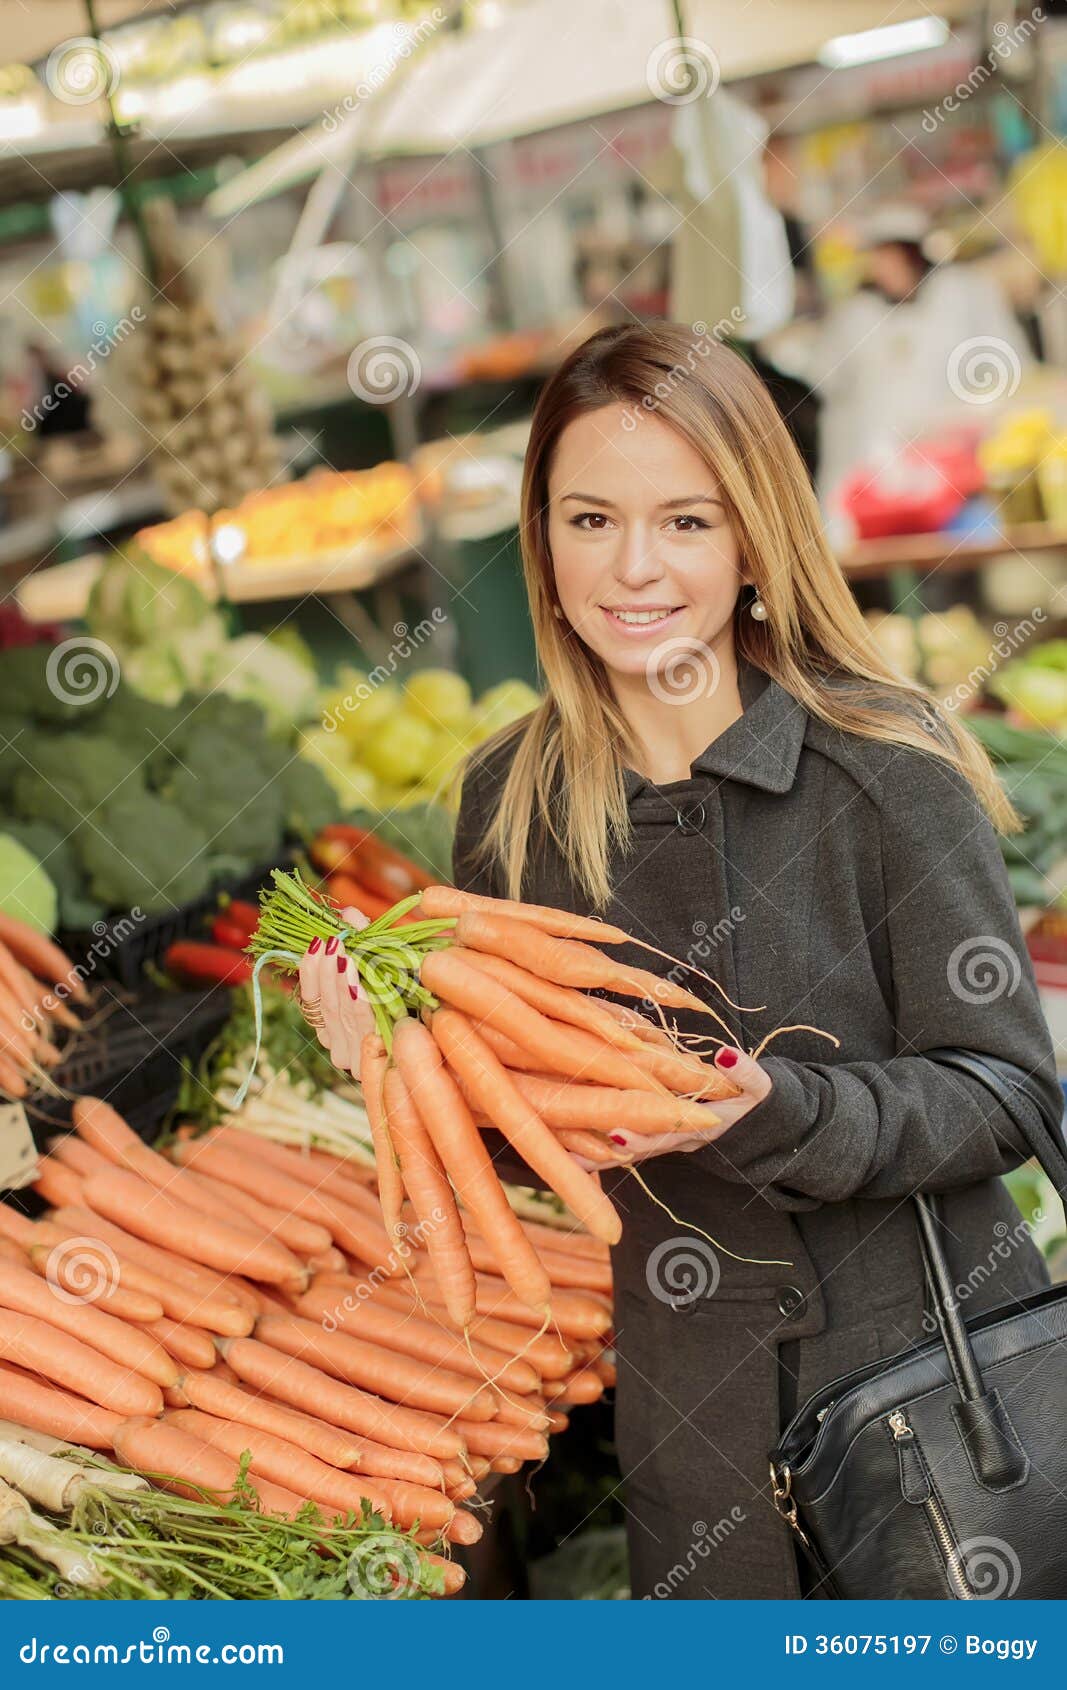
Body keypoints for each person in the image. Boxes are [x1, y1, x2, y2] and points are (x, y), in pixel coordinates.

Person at [299, 323, 1062, 1599]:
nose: (632, 568)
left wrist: (785, 1110)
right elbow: (524, 1134)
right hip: (695, 1439)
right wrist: (394, 1061)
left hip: (928, 1410)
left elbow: (1009, 1091)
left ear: (754, 536)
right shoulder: (510, 799)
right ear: (539, 536)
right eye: (589, 519)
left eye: (685, 523)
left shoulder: (882, 765)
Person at [809, 204, 1032, 512]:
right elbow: (825, 387)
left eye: (897, 256)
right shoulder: (853, 318)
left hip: (953, 473)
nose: (887, 267)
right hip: (875, 479)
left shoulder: (962, 298)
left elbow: (1008, 374)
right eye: (880, 257)